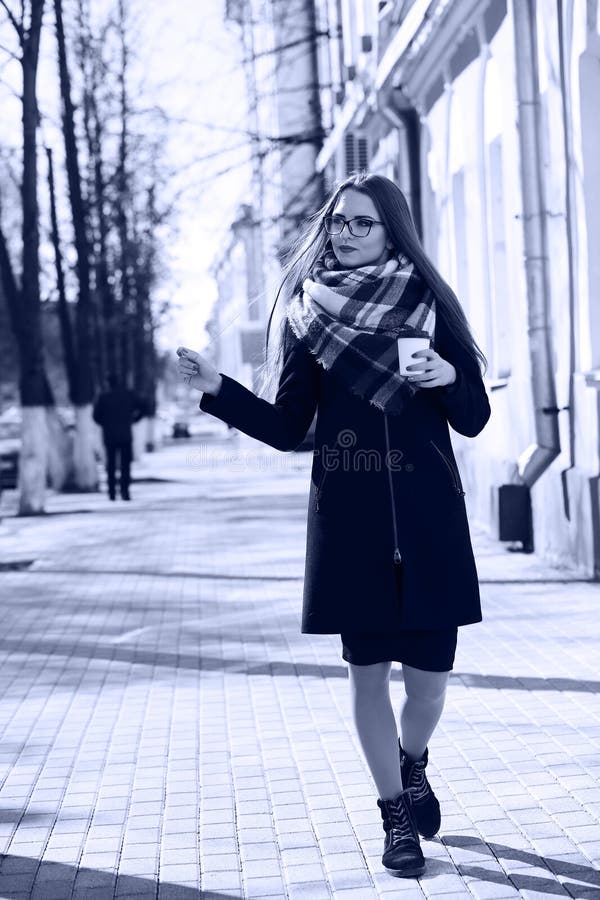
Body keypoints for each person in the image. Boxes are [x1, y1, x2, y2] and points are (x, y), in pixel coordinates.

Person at [176, 173, 491, 879]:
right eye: (339, 222)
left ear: (392, 230)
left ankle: (413, 763)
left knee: (431, 684)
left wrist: (445, 377)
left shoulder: (430, 306)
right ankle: (394, 817)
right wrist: (220, 391)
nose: (345, 233)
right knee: (367, 676)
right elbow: (291, 427)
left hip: (431, 521)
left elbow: (473, 416)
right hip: (351, 527)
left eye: (362, 223)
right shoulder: (307, 318)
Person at [92, 373, 146, 501]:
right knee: (125, 465)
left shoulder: (103, 397)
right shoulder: (128, 395)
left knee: (110, 465)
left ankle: (111, 493)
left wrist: (105, 423)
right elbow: (143, 406)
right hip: (125, 435)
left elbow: (96, 416)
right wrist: (134, 419)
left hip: (109, 436)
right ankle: (125, 492)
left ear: (108, 383)